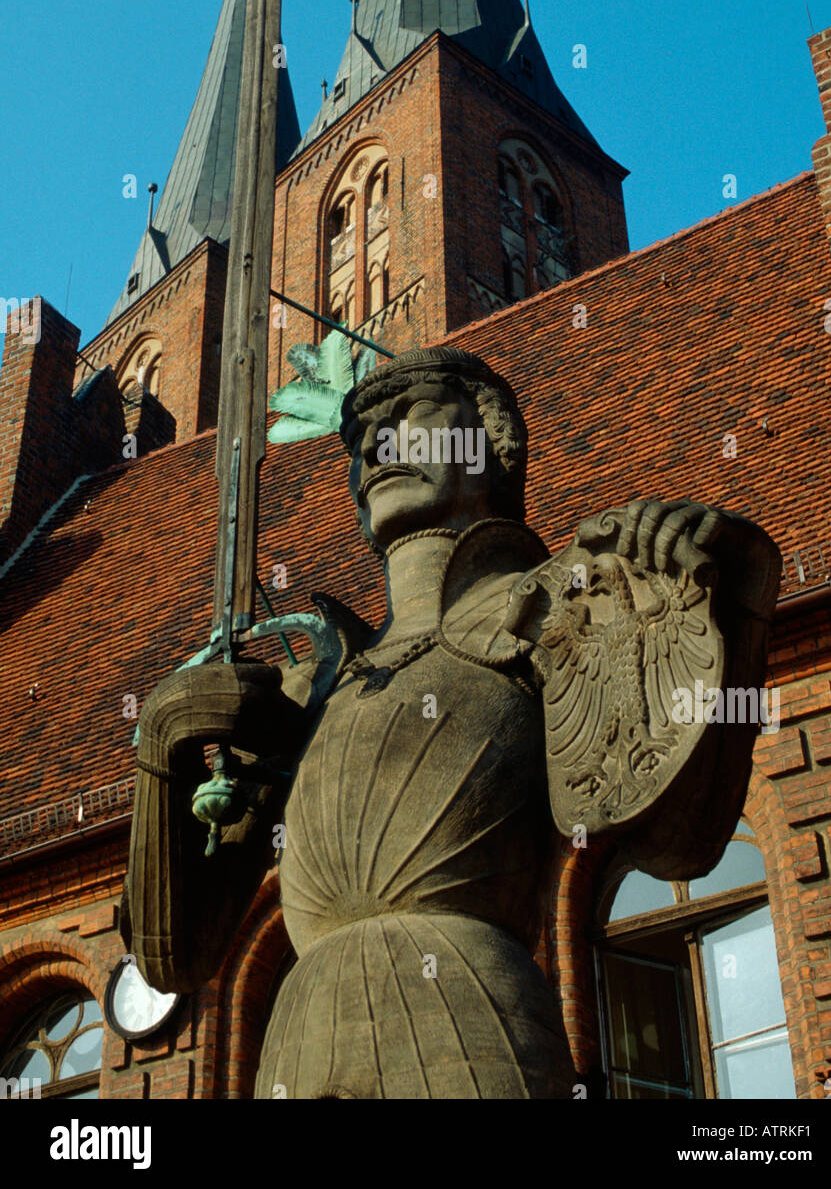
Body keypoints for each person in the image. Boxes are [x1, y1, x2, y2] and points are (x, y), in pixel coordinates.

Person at [125, 346, 780, 1099]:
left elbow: (680, 839)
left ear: (492, 443)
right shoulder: (317, 680)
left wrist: (696, 582)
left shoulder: (553, 606)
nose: (377, 445)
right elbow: (174, 956)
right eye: (361, 435)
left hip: (469, 1030)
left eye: (412, 417)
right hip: (300, 1051)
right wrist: (164, 741)